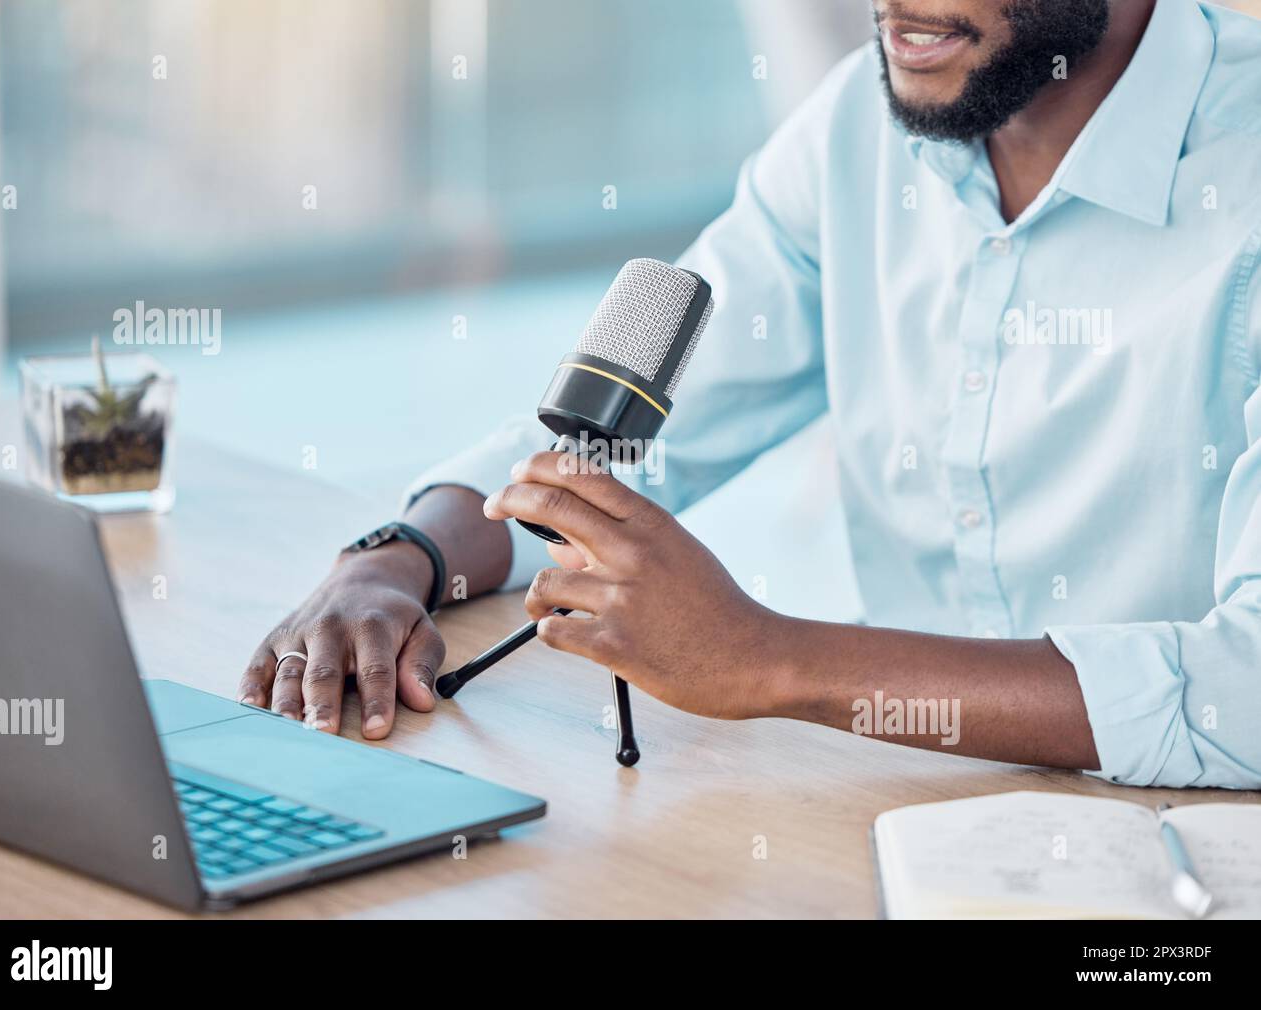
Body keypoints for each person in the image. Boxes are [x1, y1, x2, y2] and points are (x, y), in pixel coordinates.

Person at [239, 0, 1261, 789]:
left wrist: (770, 659)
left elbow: (1246, 691)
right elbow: (611, 442)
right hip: (890, 809)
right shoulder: (857, 128)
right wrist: (400, 556)